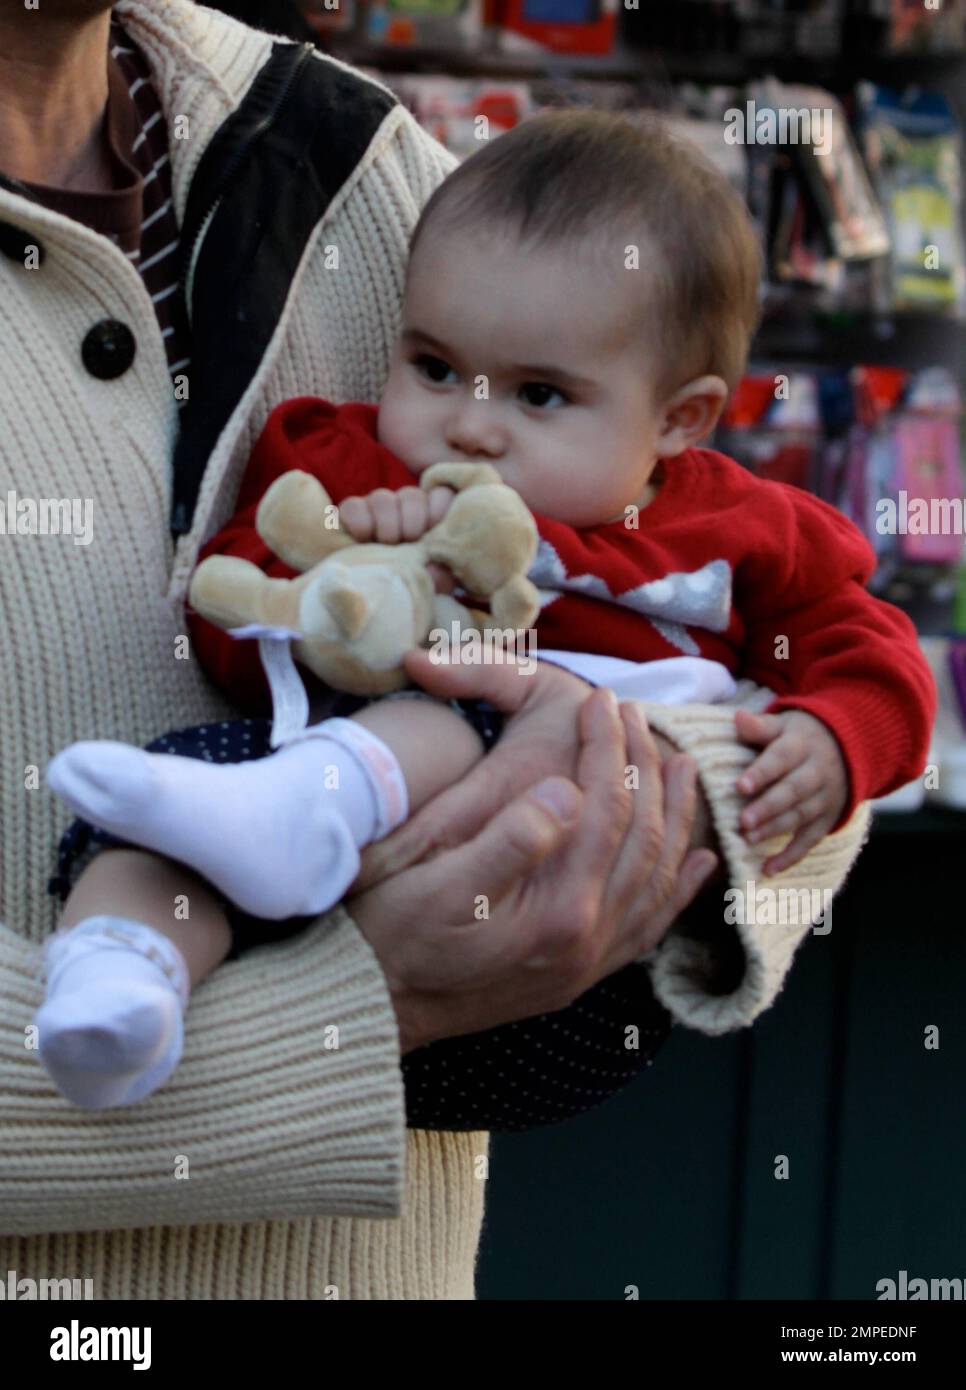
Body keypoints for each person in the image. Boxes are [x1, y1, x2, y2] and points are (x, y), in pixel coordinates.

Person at [0, 0, 873, 1300]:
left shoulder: (358, 156)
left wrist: (649, 783)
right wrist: (366, 1010)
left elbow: (812, 687)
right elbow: (262, 609)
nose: (472, 426)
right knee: (162, 837)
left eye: (528, 396)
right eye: (433, 372)